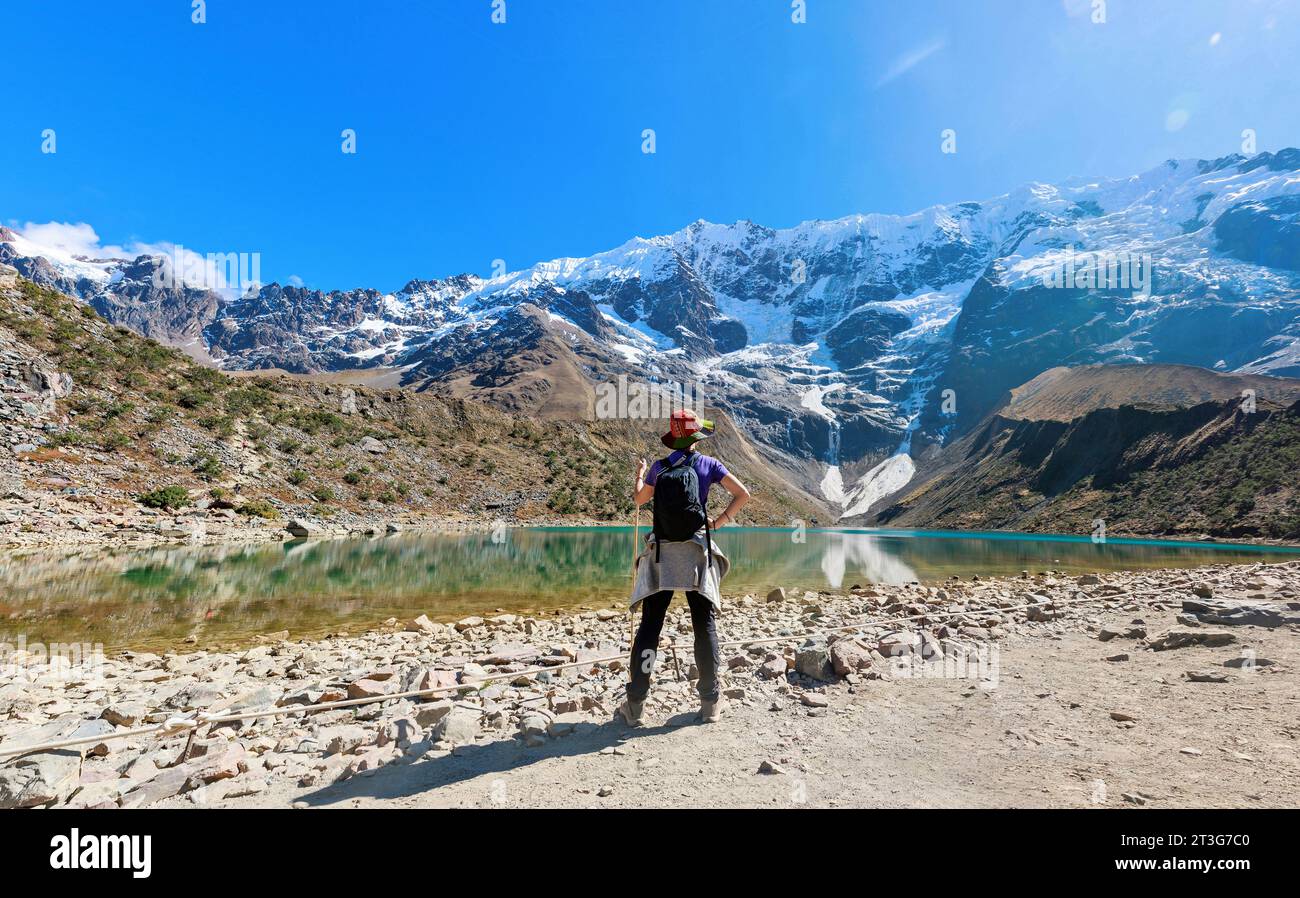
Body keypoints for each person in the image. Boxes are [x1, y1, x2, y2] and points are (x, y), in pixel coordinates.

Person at [620, 409, 750, 726]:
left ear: (673, 439)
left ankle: (635, 704)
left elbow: (639, 500)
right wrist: (717, 522)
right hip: (696, 554)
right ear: (696, 437)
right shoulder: (708, 465)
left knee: (650, 627)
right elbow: (743, 494)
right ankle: (710, 703)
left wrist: (639, 474)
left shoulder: (659, 468)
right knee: (703, 626)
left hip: (662, 554)